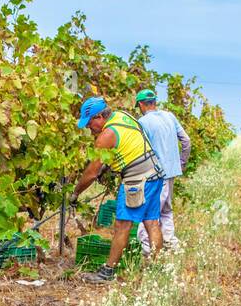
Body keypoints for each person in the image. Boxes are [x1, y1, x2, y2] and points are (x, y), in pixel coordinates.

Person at [68, 96, 165, 284]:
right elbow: (128, 146)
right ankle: (156, 268)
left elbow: (91, 173)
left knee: (122, 225)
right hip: (154, 173)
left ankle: (108, 272)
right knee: (151, 222)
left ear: (98, 117)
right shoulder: (122, 116)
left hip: (137, 180)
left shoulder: (107, 135)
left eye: (89, 124)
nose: (89, 129)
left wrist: (76, 192)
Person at [135, 88, 191, 254]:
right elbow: (186, 141)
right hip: (172, 171)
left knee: (148, 213)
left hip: (155, 175)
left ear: (140, 104)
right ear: (155, 102)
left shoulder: (143, 122)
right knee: (166, 210)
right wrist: (181, 162)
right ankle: (170, 244)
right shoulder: (169, 116)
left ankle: (147, 250)